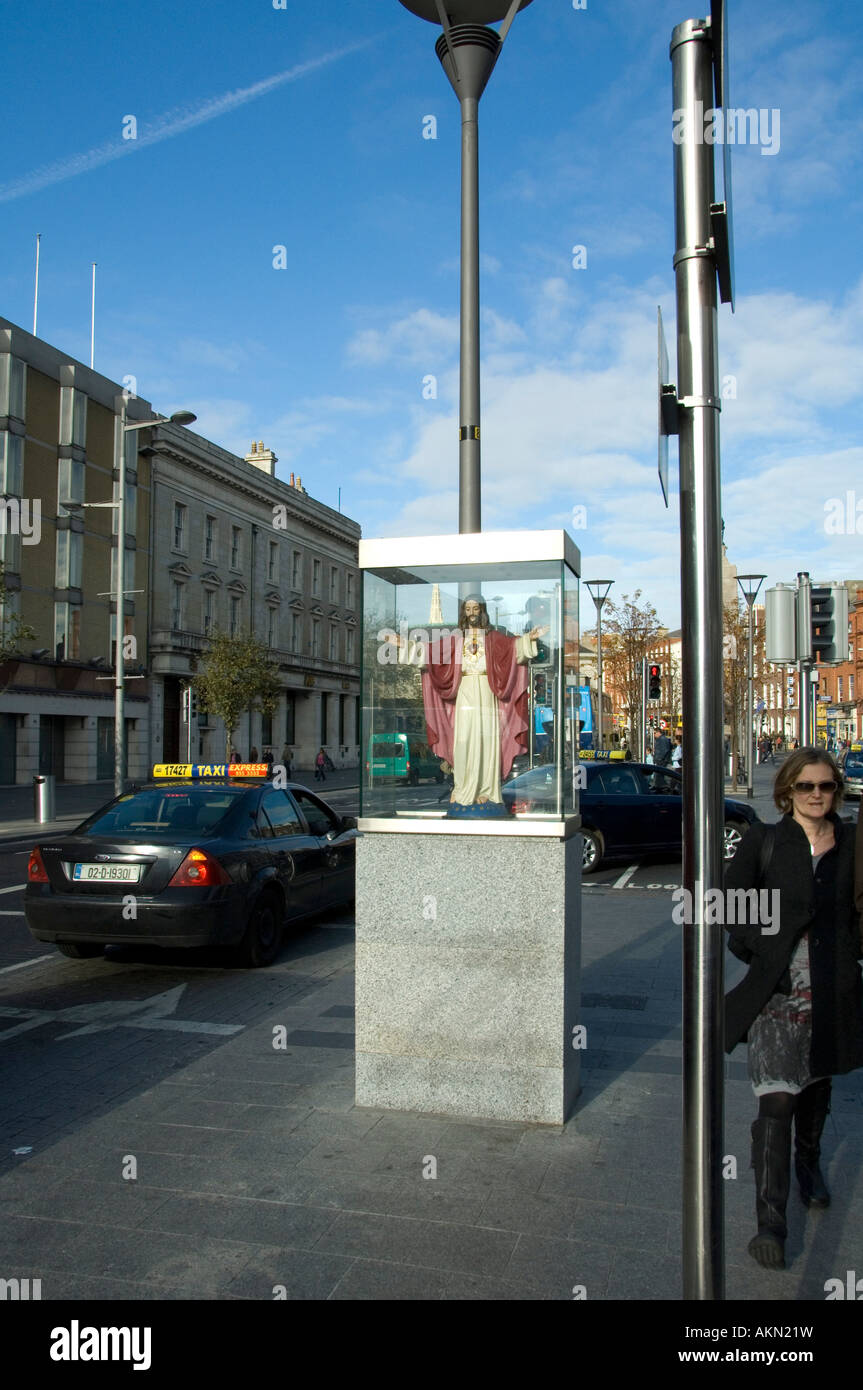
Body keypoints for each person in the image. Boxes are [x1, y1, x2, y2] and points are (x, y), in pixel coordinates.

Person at [724, 747, 863, 1271]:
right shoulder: (765, 840)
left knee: (817, 1088)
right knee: (776, 1102)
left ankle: (809, 1163)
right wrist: (766, 954)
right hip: (778, 997)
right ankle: (771, 1224)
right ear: (787, 791)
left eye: (826, 786)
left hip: (834, 990)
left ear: (836, 792)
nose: (816, 795)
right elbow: (733, 908)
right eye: (805, 787)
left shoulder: (850, 843)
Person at [410, 595, 546, 815]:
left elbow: (514, 649)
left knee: (487, 739)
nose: (471, 613)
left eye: (475, 608)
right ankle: (463, 789)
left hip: (487, 689)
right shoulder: (456, 639)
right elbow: (432, 653)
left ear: (482, 611)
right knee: (463, 741)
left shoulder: (493, 638)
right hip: (465, 689)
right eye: (468, 609)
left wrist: (530, 638)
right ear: (464, 612)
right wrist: (404, 645)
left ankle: (488, 791)